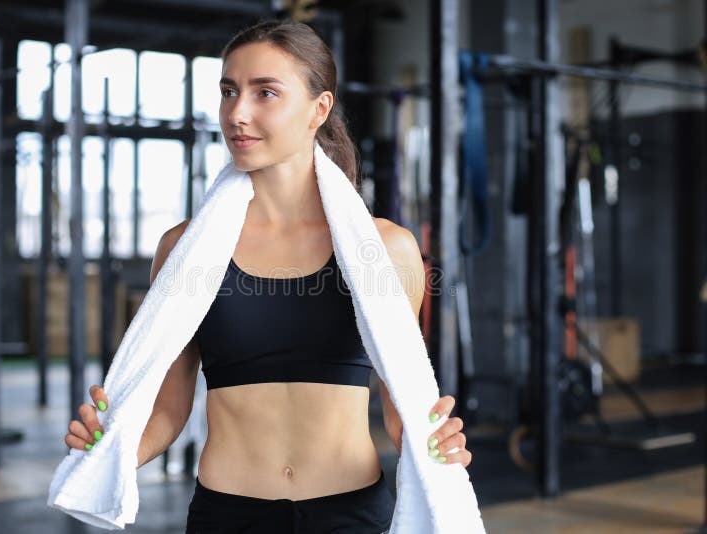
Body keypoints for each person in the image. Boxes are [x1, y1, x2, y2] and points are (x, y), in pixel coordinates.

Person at [64, 20, 471, 532]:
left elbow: (402, 404)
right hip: (227, 515)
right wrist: (111, 445)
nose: (238, 113)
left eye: (266, 93)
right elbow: (168, 409)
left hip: (351, 515)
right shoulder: (184, 250)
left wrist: (435, 446)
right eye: (229, 91)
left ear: (318, 110)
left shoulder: (386, 249)